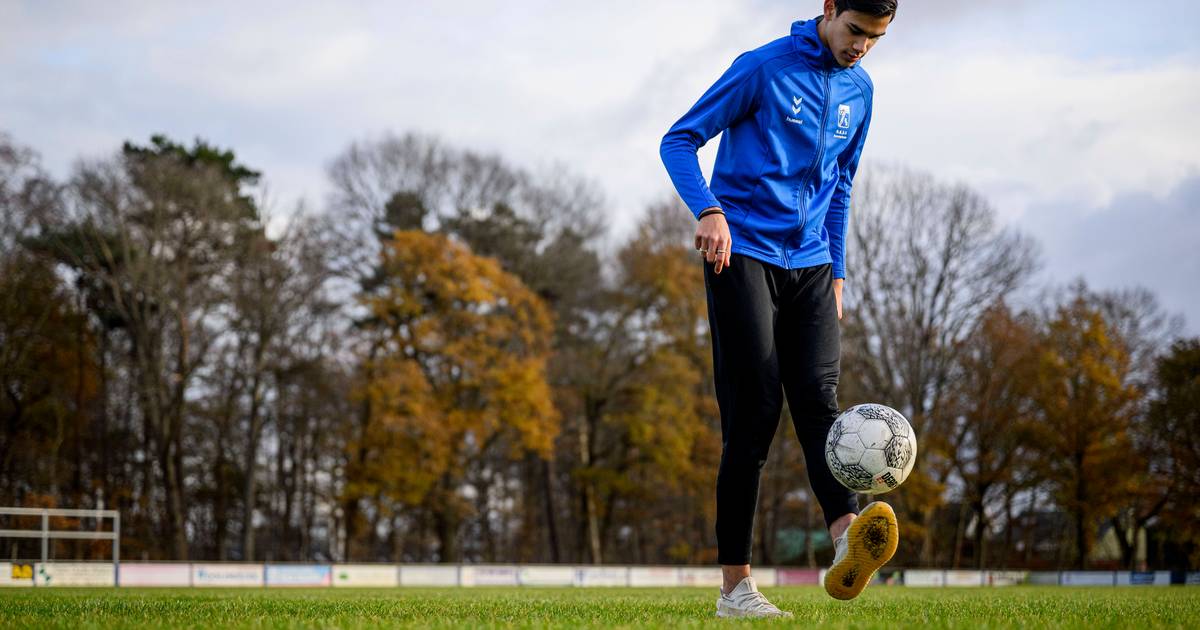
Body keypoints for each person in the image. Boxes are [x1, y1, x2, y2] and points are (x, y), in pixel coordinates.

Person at [659, 0, 900, 618]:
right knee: (756, 411)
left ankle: (848, 536)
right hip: (742, 252)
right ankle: (735, 588)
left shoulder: (861, 90)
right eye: (854, 32)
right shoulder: (762, 68)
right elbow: (679, 140)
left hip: (814, 264)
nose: (861, 48)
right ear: (828, 9)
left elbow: (842, 184)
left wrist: (839, 271)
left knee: (821, 400)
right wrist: (708, 210)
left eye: (875, 39)